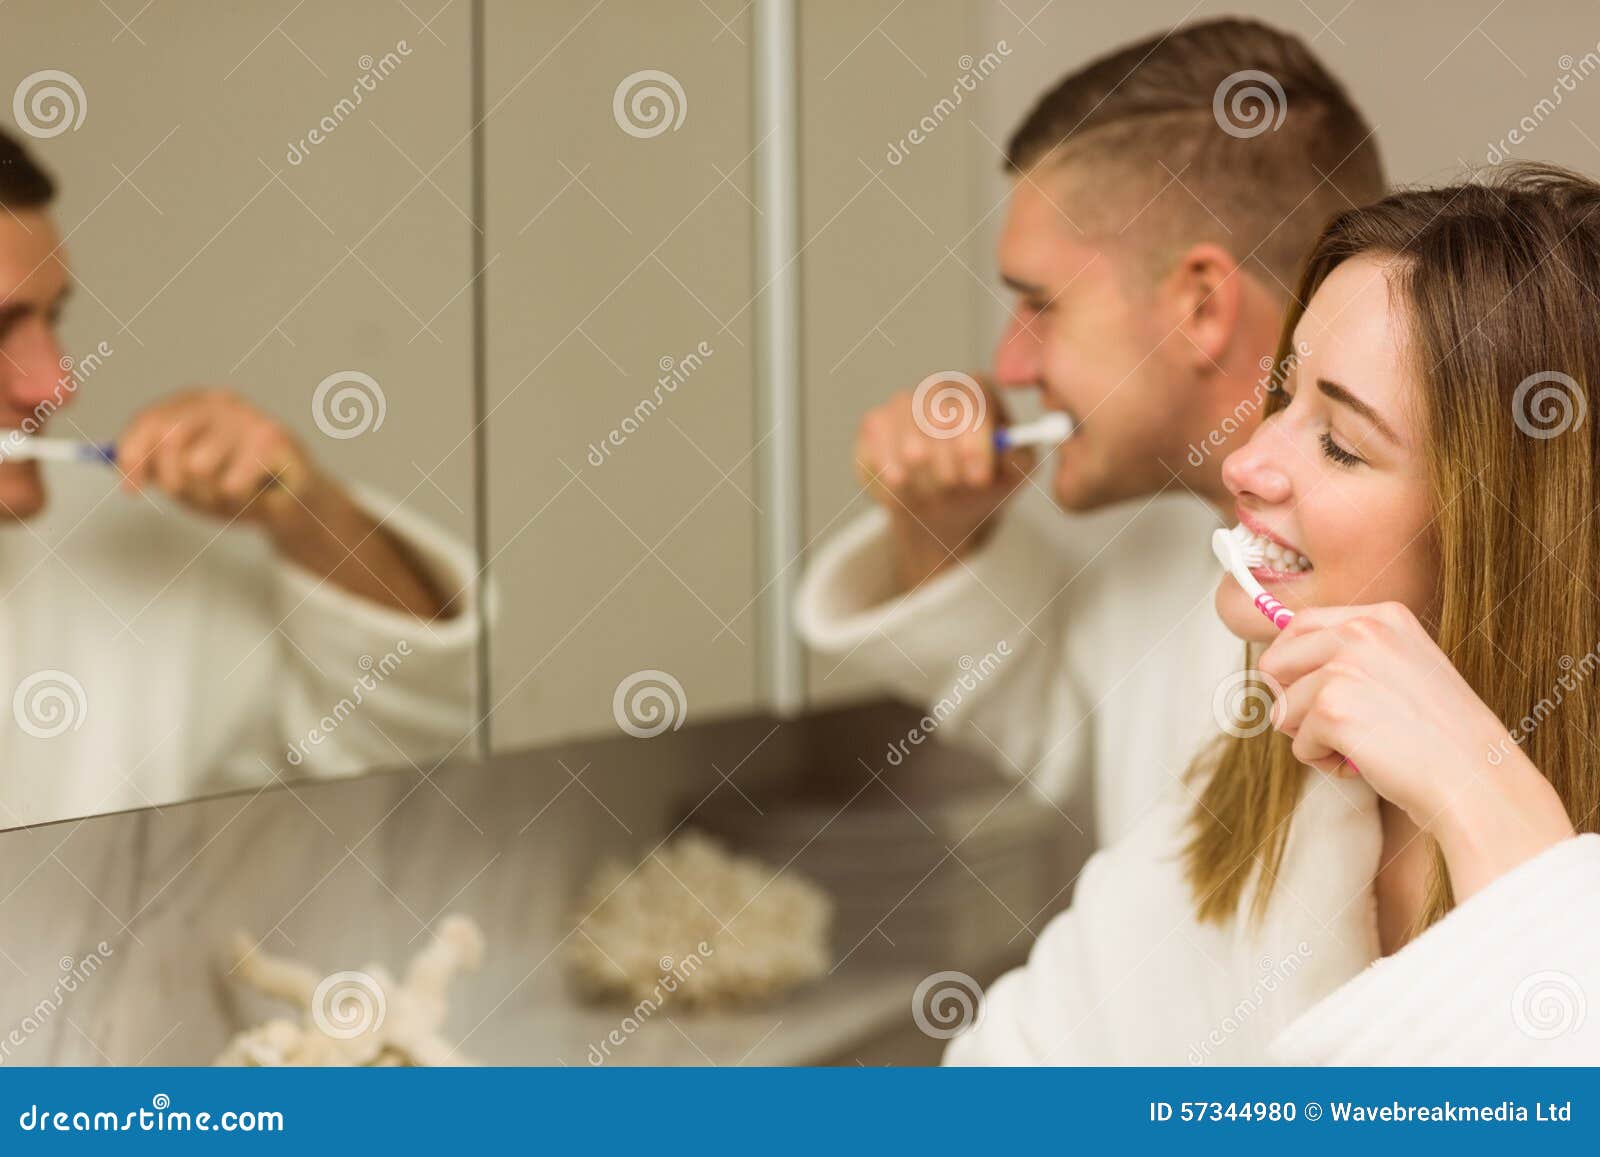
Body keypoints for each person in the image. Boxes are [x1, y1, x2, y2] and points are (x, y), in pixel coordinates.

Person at [946, 166, 1600, 1065]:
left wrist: (1489, 810)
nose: (1245, 463)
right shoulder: (1242, 812)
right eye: (1283, 397)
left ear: (1509, 539)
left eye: (1340, 442)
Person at [797, 18, 1385, 844]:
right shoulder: (1173, 570)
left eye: (1042, 303)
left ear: (1201, 307)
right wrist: (938, 537)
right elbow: (1067, 741)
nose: (1011, 363)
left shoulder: (1447, 614)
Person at [0, 129, 478, 827]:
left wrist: (309, 515)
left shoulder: (116, 552)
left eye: (53, 319)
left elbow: (400, 743)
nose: (56, 383)